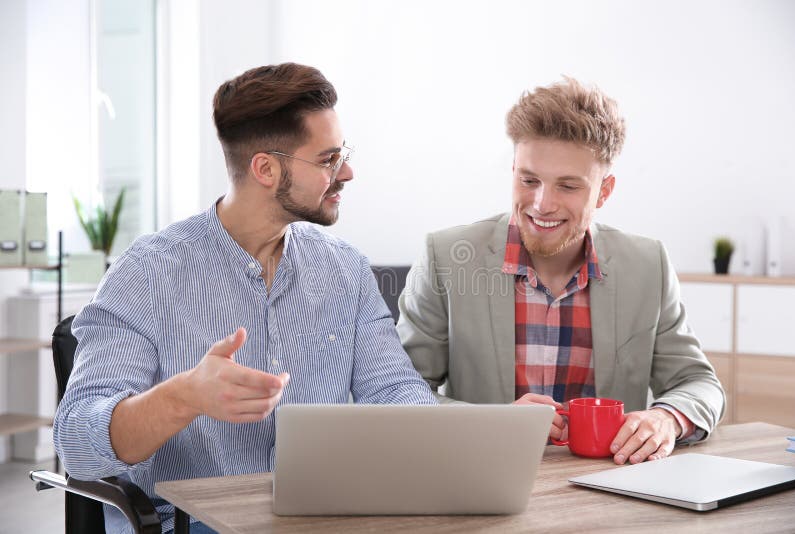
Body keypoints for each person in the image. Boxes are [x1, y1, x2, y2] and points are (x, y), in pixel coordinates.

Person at [54, 63, 436, 534]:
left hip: (322, 517)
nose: (347, 172)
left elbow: (394, 389)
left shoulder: (346, 270)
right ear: (266, 169)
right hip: (192, 524)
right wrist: (184, 396)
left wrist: (455, 437)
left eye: (344, 154)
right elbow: (76, 444)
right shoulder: (147, 274)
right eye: (328, 159)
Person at [397, 77, 724, 466]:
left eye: (568, 186)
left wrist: (667, 418)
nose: (542, 204)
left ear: (604, 191)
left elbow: (699, 383)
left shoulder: (647, 264)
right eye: (529, 180)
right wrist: (490, 423)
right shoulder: (446, 258)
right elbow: (398, 392)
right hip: (480, 479)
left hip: (609, 489)